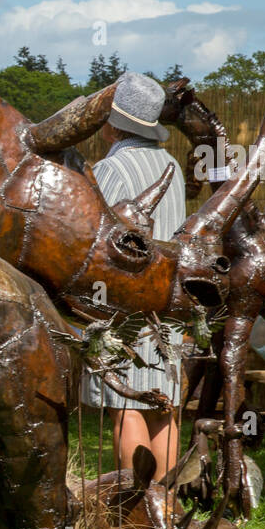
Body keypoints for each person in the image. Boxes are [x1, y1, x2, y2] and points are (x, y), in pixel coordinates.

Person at [81, 72, 186, 479]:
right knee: (163, 406)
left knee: (125, 404)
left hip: (123, 302)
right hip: (168, 298)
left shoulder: (113, 167)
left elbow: (97, 239)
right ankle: (168, 508)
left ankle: (135, 511)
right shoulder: (173, 166)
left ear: (112, 125)